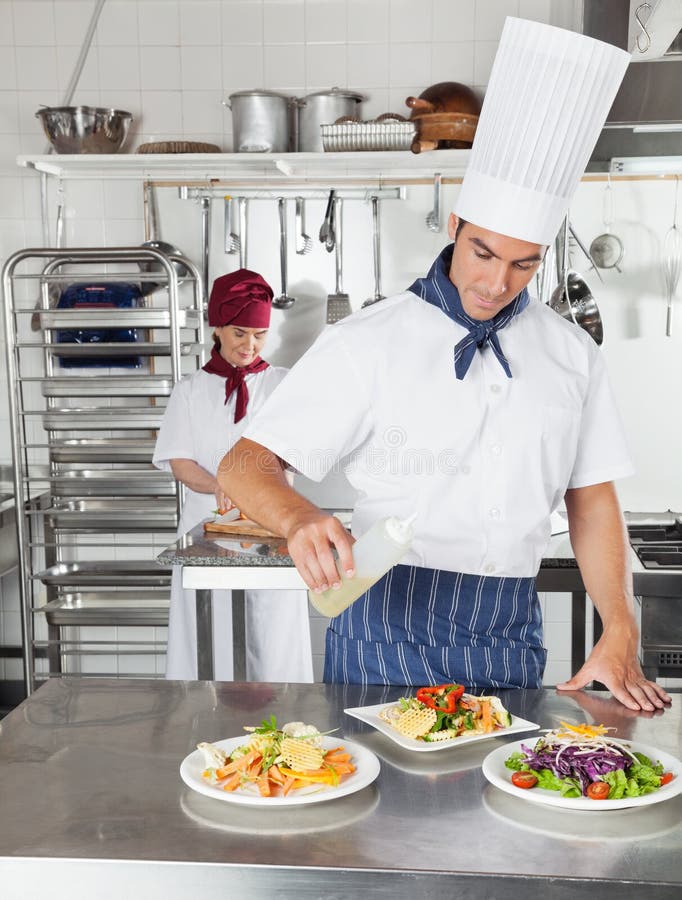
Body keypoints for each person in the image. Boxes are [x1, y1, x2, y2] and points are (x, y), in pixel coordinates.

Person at [215, 19, 670, 712]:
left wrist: (620, 625)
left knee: (506, 783)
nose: (496, 283)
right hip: (384, 628)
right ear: (456, 226)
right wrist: (298, 517)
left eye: (524, 265)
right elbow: (242, 466)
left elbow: (592, 495)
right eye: (483, 253)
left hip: (508, 634)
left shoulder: (571, 352)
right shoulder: (368, 340)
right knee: (376, 785)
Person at [153, 268, 313, 682]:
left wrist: (260, 485)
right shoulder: (189, 390)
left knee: (272, 636)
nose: (250, 344)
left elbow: (295, 456)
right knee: (209, 633)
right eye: (240, 333)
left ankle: (281, 717)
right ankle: (204, 713)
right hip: (204, 534)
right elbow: (180, 463)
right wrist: (222, 485)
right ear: (218, 328)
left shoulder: (284, 385)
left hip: (272, 529)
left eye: (260, 334)